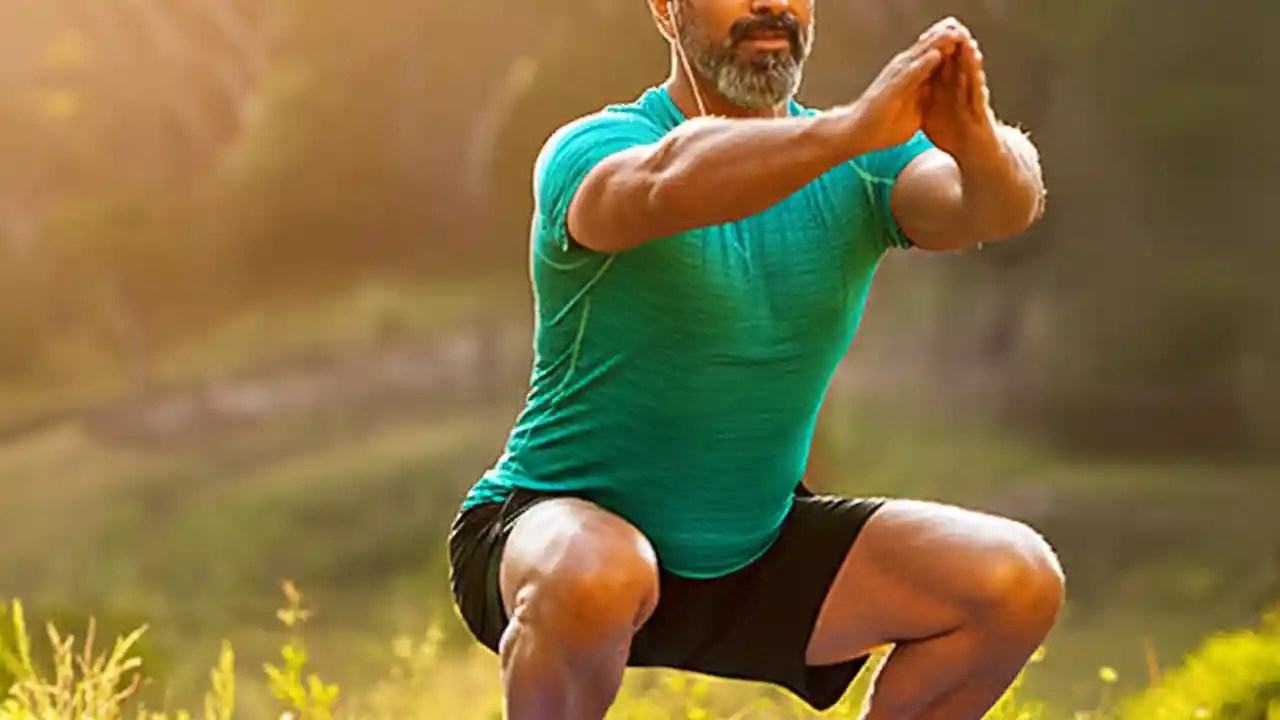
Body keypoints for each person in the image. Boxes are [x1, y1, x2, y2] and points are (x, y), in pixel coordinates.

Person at [448, 1, 1061, 718]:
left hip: (752, 546)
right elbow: (662, 182)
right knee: (597, 576)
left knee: (1016, 581)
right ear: (664, 10)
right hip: (552, 532)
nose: (768, 3)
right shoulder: (593, 148)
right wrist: (848, 129)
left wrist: (979, 140)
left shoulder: (862, 166)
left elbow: (996, 207)